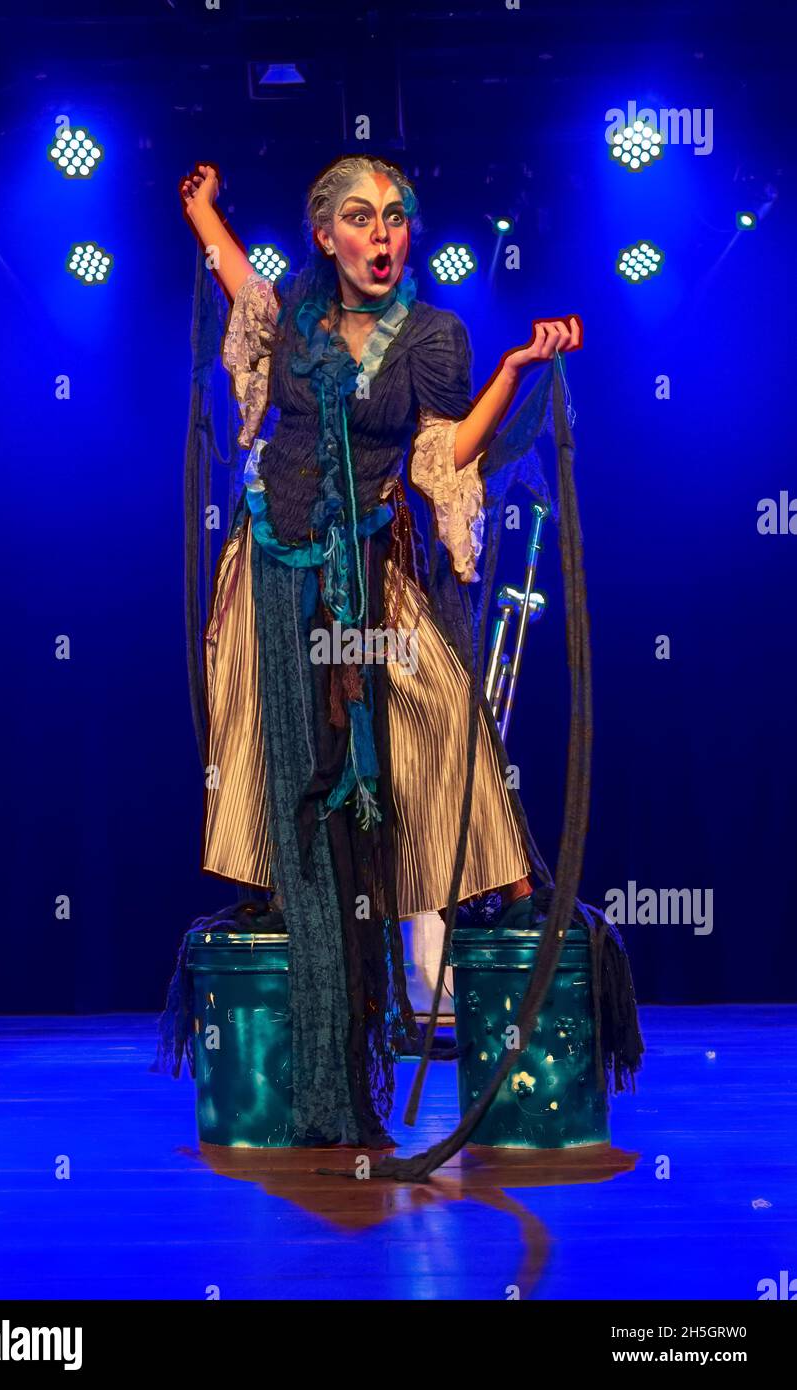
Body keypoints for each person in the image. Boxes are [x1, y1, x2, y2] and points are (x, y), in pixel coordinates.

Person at [180, 154, 581, 1147]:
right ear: (325, 235)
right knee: (297, 779)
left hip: (365, 571)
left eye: (394, 218)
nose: (381, 234)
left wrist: (512, 370)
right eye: (359, 219)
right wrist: (203, 216)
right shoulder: (298, 327)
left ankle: (495, 887)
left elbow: (443, 451)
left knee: (437, 722)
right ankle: (316, 1010)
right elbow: (246, 294)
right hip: (276, 565)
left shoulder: (431, 338)